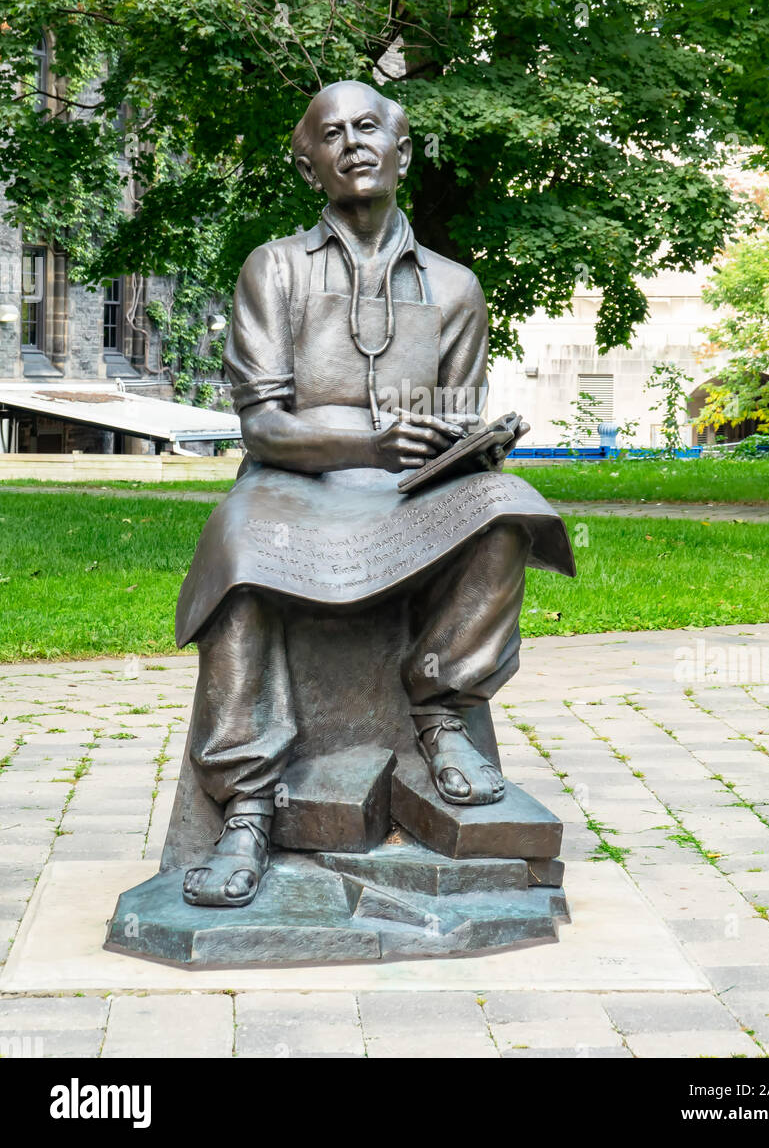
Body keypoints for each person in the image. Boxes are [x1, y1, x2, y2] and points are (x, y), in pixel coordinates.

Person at [177, 80, 573, 907]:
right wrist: (367, 440)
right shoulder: (274, 269)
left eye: (369, 127)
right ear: (308, 164)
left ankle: (440, 711)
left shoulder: (455, 287)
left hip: (407, 496)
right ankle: (249, 804)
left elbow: (451, 425)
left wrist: (476, 447)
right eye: (331, 133)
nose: (352, 142)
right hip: (290, 485)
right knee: (240, 547)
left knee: (512, 511)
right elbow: (263, 428)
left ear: (402, 150)